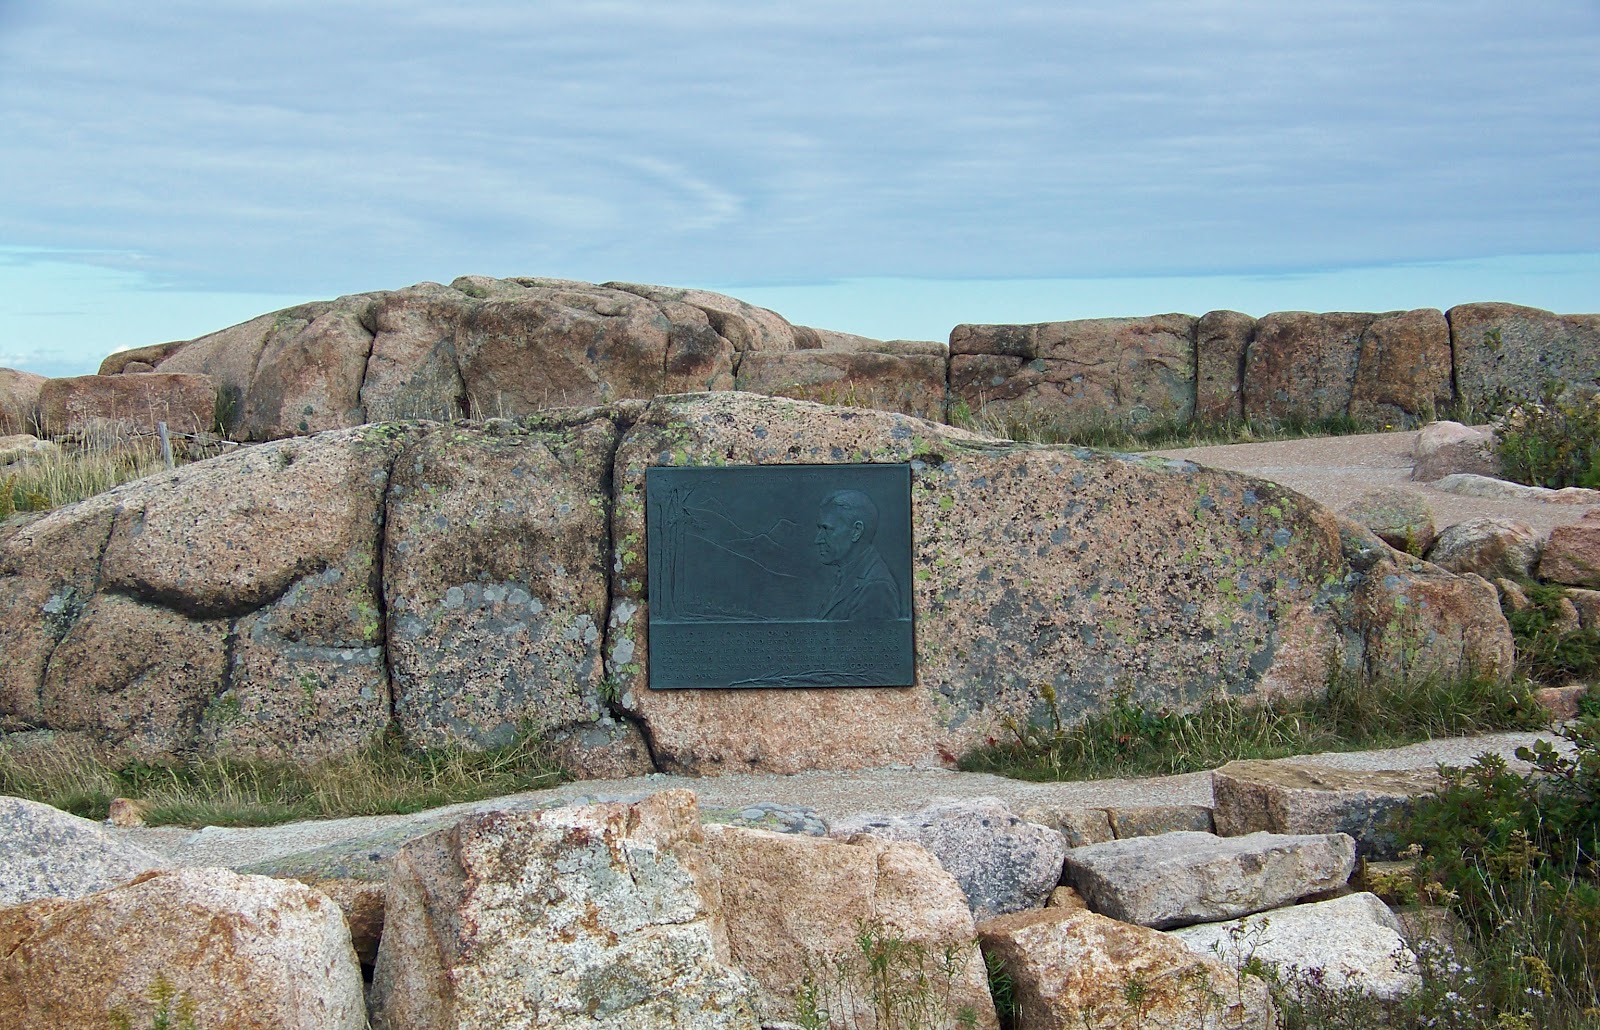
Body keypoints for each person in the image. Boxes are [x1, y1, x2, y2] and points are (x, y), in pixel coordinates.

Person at [814, 489, 903, 620]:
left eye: (827, 529)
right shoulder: (850, 576)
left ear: (856, 531)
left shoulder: (876, 588)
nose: (818, 540)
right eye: (820, 529)